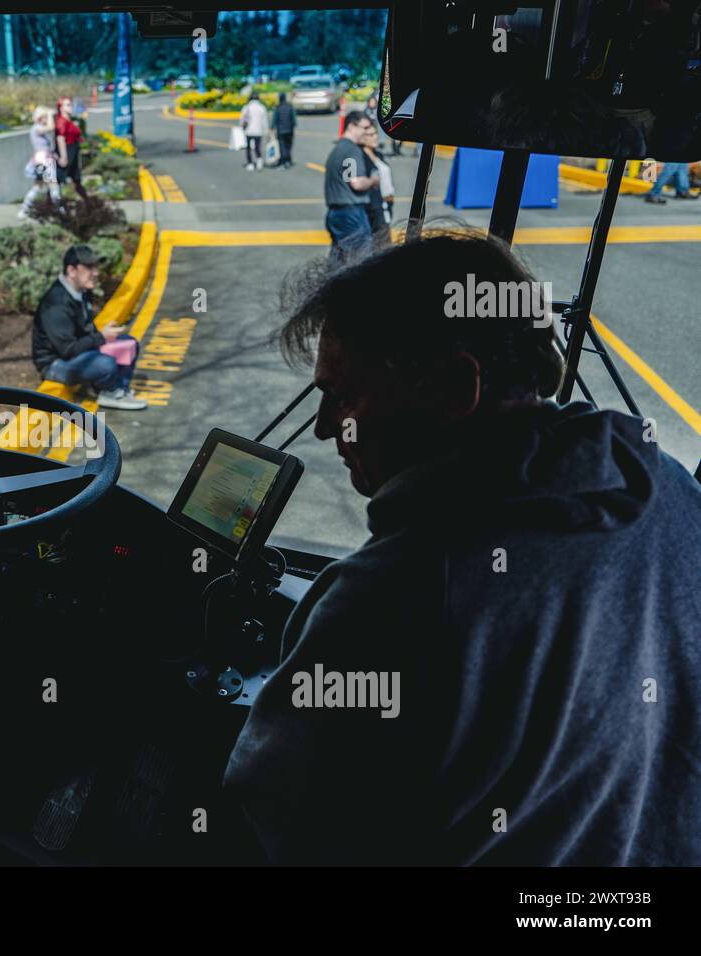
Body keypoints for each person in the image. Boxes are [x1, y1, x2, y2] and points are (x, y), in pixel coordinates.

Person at [224, 227, 701, 865]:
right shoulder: (671, 492)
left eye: (343, 395)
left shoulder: (393, 593)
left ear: (453, 389)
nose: (323, 427)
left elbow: (272, 815)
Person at [31, 244, 147, 410]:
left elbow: (85, 331)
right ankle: (110, 391)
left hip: (77, 353)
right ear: (71, 271)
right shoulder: (56, 305)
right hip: (55, 364)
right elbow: (67, 349)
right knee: (105, 364)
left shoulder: (81, 291)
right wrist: (101, 337)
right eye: (89, 268)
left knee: (130, 344)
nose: (96, 273)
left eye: (95, 267)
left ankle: (118, 389)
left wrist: (104, 335)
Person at [323, 111, 380, 265]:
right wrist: (372, 180)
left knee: (338, 262)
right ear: (352, 126)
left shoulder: (338, 149)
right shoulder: (352, 150)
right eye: (365, 127)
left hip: (335, 213)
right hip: (351, 213)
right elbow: (356, 182)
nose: (368, 132)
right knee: (361, 262)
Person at [19, 106, 64, 220]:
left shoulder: (38, 128)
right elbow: (51, 127)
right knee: (51, 185)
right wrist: (49, 113)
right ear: (40, 118)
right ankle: (59, 209)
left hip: (44, 159)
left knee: (39, 185)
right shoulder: (36, 128)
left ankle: (25, 208)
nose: (48, 119)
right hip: (43, 160)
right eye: (45, 117)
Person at [361, 123, 393, 246]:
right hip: (375, 208)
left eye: (376, 134)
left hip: (386, 206)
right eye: (370, 135)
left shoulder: (378, 154)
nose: (375, 137)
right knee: (382, 247)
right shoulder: (361, 158)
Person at [54, 97, 87, 198]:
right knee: (60, 178)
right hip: (67, 150)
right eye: (67, 105)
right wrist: (63, 156)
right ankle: (52, 203)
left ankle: (88, 202)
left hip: (73, 150)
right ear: (61, 108)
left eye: (71, 104)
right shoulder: (61, 121)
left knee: (76, 179)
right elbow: (60, 138)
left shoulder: (69, 120)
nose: (71, 107)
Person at [239, 90, 271, 170]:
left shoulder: (246, 107)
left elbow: (242, 120)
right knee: (257, 147)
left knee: (248, 148)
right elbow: (264, 121)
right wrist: (266, 131)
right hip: (258, 131)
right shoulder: (262, 108)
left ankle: (250, 164)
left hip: (248, 131)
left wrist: (242, 127)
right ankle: (259, 162)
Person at [272, 92, 296, 168]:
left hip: (281, 130)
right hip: (290, 130)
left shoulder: (278, 107)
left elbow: (274, 120)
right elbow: (294, 120)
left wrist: (272, 128)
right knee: (288, 146)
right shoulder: (290, 107)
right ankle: (288, 160)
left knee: (282, 146)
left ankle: (284, 161)